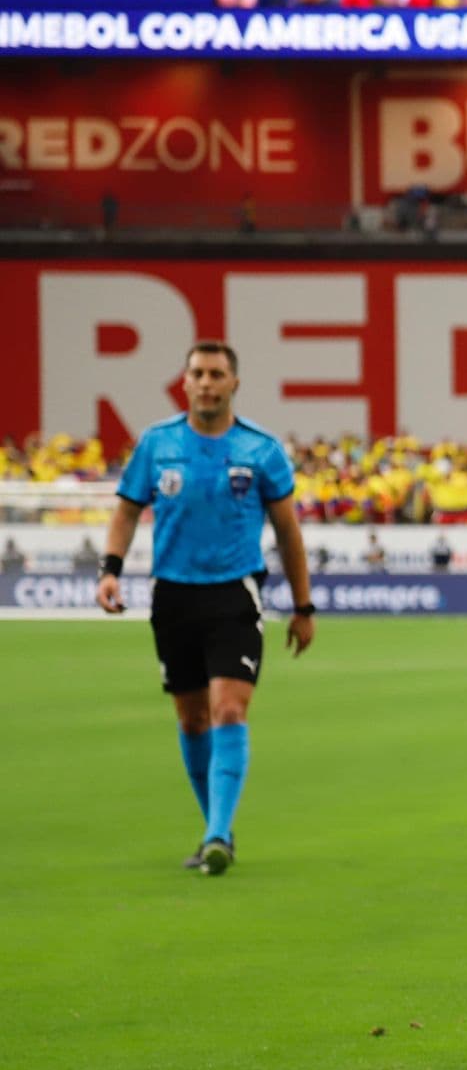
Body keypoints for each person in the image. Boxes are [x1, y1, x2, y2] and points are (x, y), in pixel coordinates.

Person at [95, 342, 314, 875]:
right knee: (191, 718)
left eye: (217, 374)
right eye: (197, 373)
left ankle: (217, 835)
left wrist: (303, 606)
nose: (206, 382)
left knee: (229, 710)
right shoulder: (158, 443)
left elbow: (288, 532)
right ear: (185, 382)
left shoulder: (260, 450)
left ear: (234, 383)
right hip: (172, 595)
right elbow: (126, 512)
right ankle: (217, 825)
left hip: (233, 593)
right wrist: (110, 569)